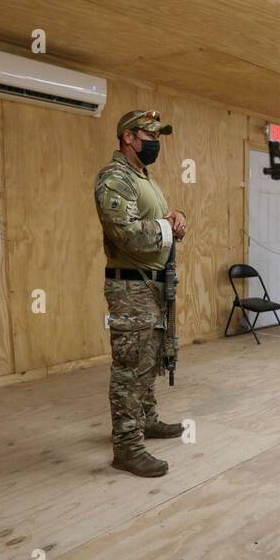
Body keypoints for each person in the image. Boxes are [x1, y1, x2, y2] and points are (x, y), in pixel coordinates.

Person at [95, 110, 187, 477]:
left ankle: (147, 420)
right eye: (149, 136)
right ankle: (127, 447)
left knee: (149, 358)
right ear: (127, 137)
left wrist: (175, 216)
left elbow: (160, 220)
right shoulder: (115, 178)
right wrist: (167, 226)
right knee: (131, 367)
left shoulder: (143, 178)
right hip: (130, 286)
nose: (155, 143)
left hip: (151, 283)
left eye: (158, 137)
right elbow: (126, 233)